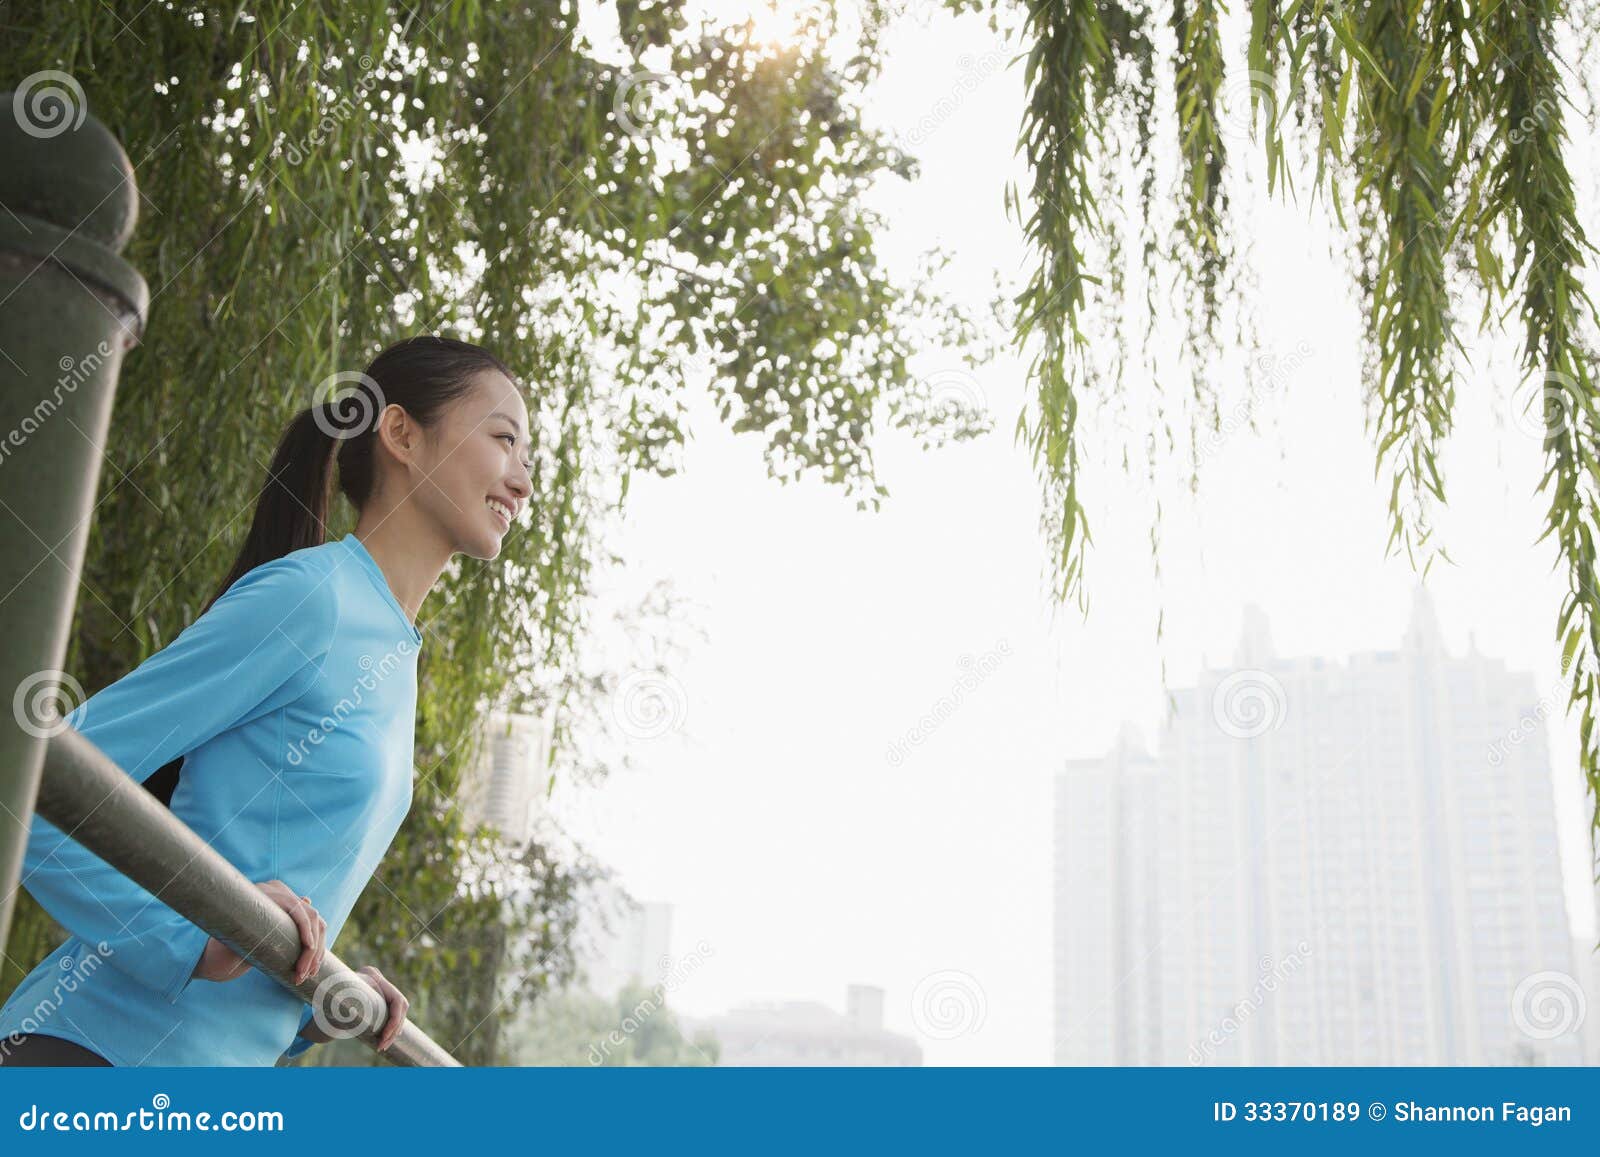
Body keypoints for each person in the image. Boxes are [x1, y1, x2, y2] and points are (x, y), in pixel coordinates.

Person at [0, 334, 533, 1066]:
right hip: (90, 1055)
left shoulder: (394, 652)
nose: (523, 480)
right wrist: (189, 939)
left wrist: (320, 988)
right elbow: (29, 780)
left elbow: (266, 886)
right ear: (402, 433)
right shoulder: (314, 599)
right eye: (504, 439)